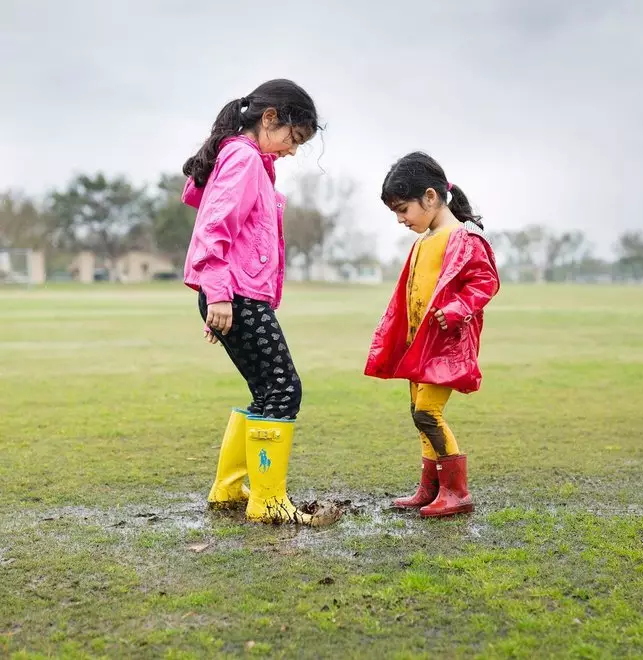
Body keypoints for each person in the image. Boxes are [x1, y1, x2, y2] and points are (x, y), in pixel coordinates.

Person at [181, 79, 338, 526]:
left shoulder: (245, 160)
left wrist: (216, 296)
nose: (292, 150)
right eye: (294, 138)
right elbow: (215, 225)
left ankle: (230, 490)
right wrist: (218, 293)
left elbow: (214, 208)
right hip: (239, 296)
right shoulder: (245, 159)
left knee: (268, 391)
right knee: (285, 390)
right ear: (270, 118)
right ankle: (267, 501)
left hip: (236, 294)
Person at [365, 152, 500, 517]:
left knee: (428, 413)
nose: (400, 219)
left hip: (443, 346)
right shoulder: (424, 241)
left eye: (403, 209)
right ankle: (431, 488)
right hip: (418, 346)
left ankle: (456, 492)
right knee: (418, 413)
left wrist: (457, 309)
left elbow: (485, 281)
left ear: (429, 196)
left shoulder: (463, 238)